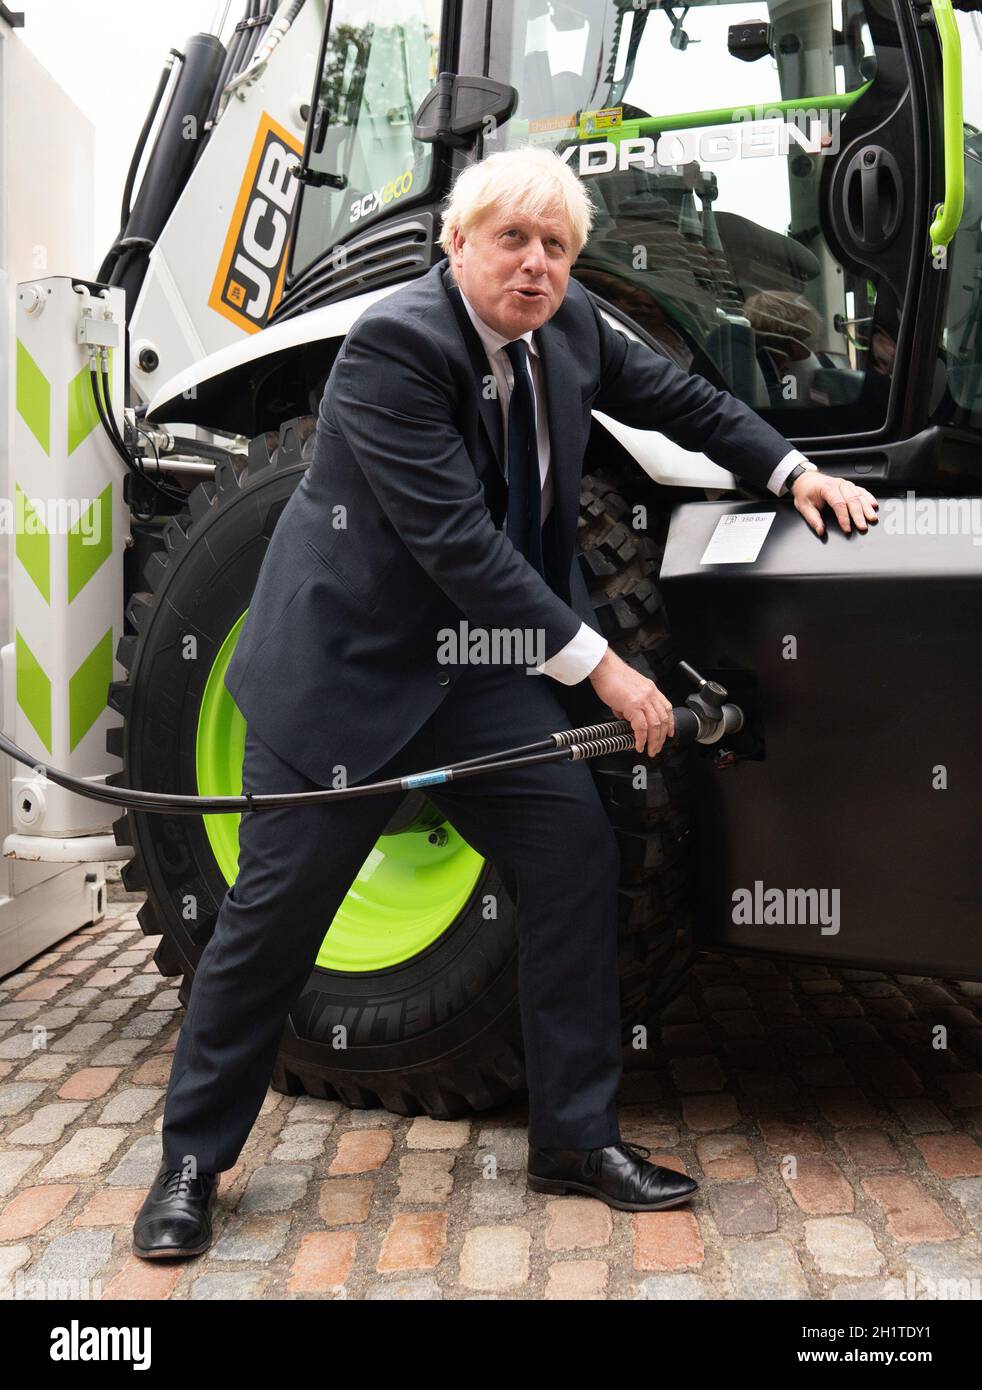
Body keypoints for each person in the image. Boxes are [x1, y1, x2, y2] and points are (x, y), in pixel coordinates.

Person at [132, 145, 878, 1259]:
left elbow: (676, 396)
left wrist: (790, 472)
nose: (536, 267)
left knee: (570, 849)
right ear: (458, 243)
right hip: (345, 680)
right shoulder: (395, 348)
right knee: (275, 920)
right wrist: (608, 670)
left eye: (558, 248)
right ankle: (192, 1157)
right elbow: (460, 548)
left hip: (473, 670)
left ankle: (573, 1136)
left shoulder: (568, 329)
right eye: (514, 241)